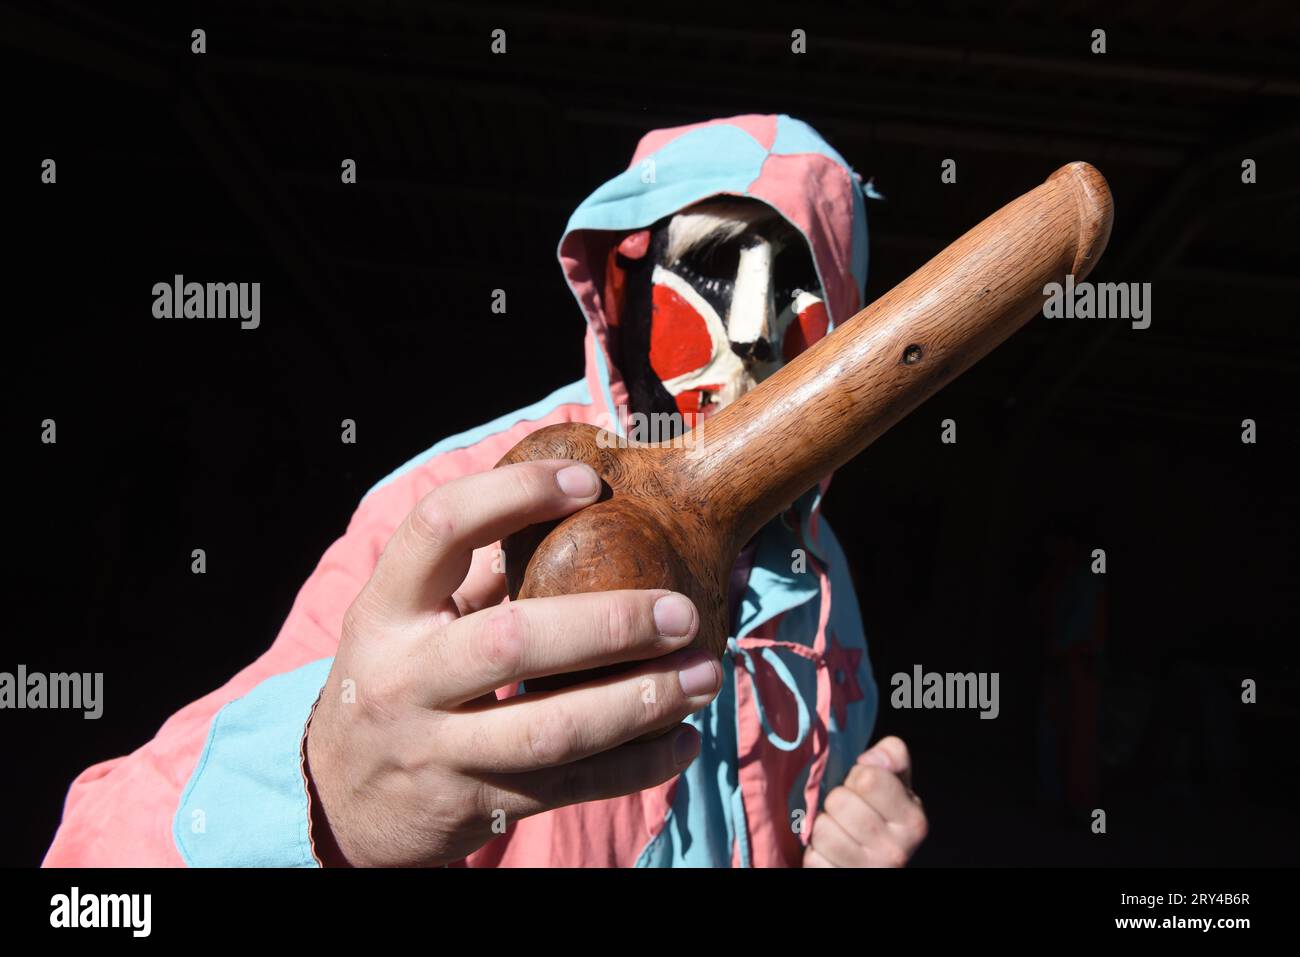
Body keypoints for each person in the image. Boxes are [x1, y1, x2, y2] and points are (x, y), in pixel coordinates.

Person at [45, 114, 927, 868]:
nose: (750, 328)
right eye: (712, 267)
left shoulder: (818, 571)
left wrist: (838, 843)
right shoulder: (459, 509)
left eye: (795, 282)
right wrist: (326, 799)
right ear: (621, 281)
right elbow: (92, 870)